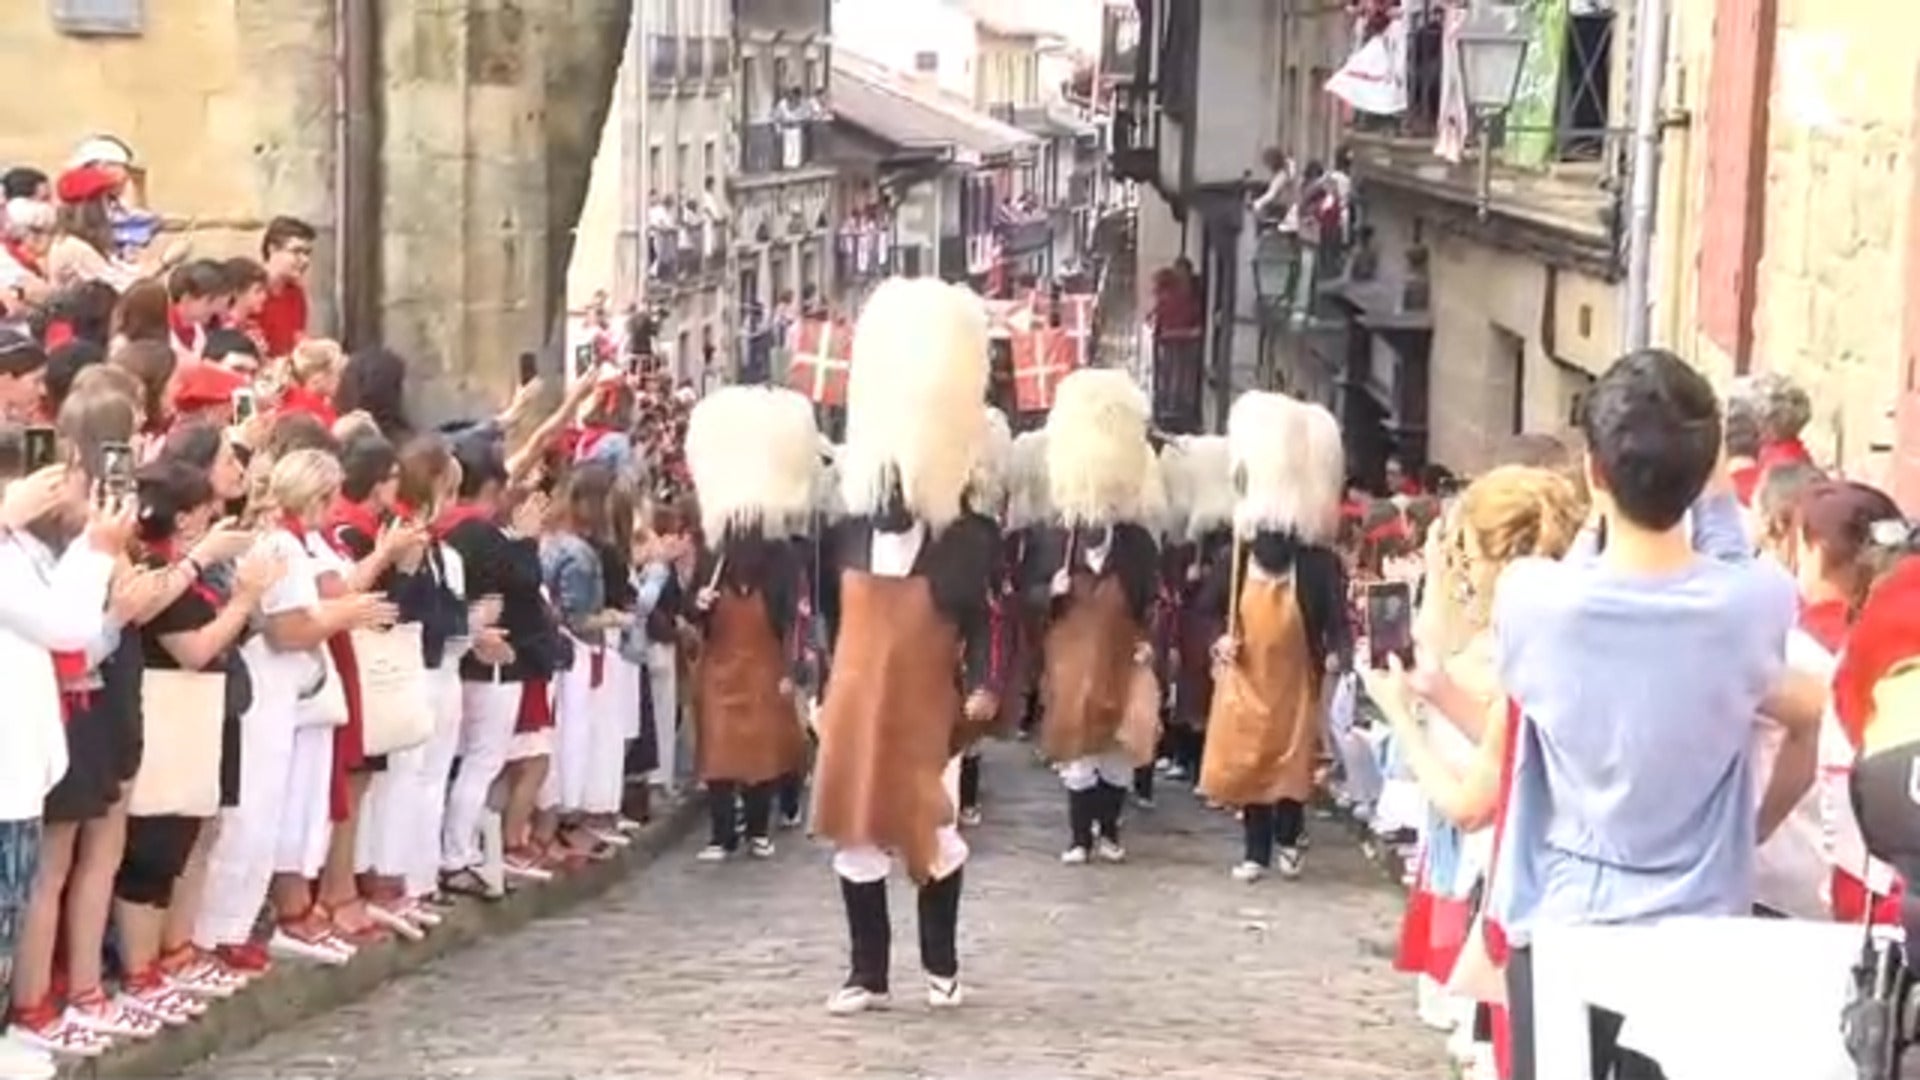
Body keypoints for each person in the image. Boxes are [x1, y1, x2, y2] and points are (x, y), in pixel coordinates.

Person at [1489, 349, 1826, 1079]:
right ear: (1706, 470)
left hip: (1562, 920)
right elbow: (1735, 572)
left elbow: (1580, 584)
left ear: (1596, 472)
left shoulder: (1531, 599)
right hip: (1697, 931)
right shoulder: (1756, 603)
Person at [809, 277, 998, 1015]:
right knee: (856, 841)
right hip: (856, 708)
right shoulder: (844, 535)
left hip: (925, 712)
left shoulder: (965, 543)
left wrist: (985, 681)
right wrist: (810, 682)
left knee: (932, 840)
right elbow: (822, 615)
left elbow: (987, 621)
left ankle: (941, 966)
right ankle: (868, 975)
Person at [1198, 393, 1350, 882]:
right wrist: (1218, 641)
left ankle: (1289, 837)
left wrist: (1336, 656)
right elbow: (1205, 611)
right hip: (1248, 680)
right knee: (1250, 765)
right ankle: (1254, 851)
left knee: (1290, 766)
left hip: (1295, 684)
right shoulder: (1235, 562)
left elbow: (1337, 622)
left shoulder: (1319, 567)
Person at [1025, 368, 1162, 866]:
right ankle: (1079, 836)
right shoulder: (1054, 543)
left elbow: (1155, 602)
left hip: (1121, 658)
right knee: (1079, 753)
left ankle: (1110, 830)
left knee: (1115, 753)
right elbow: (1029, 597)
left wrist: (1150, 642)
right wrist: (1050, 591)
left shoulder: (1138, 546)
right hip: (1071, 662)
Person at [681, 385, 815, 863]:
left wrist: (794, 668)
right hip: (720, 664)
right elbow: (688, 611)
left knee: (760, 755)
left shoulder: (781, 557)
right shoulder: (712, 552)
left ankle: (759, 829)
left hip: (764, 665)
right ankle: (721, 835)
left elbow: (797, 613)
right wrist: (698, 601)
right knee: (719, 753)